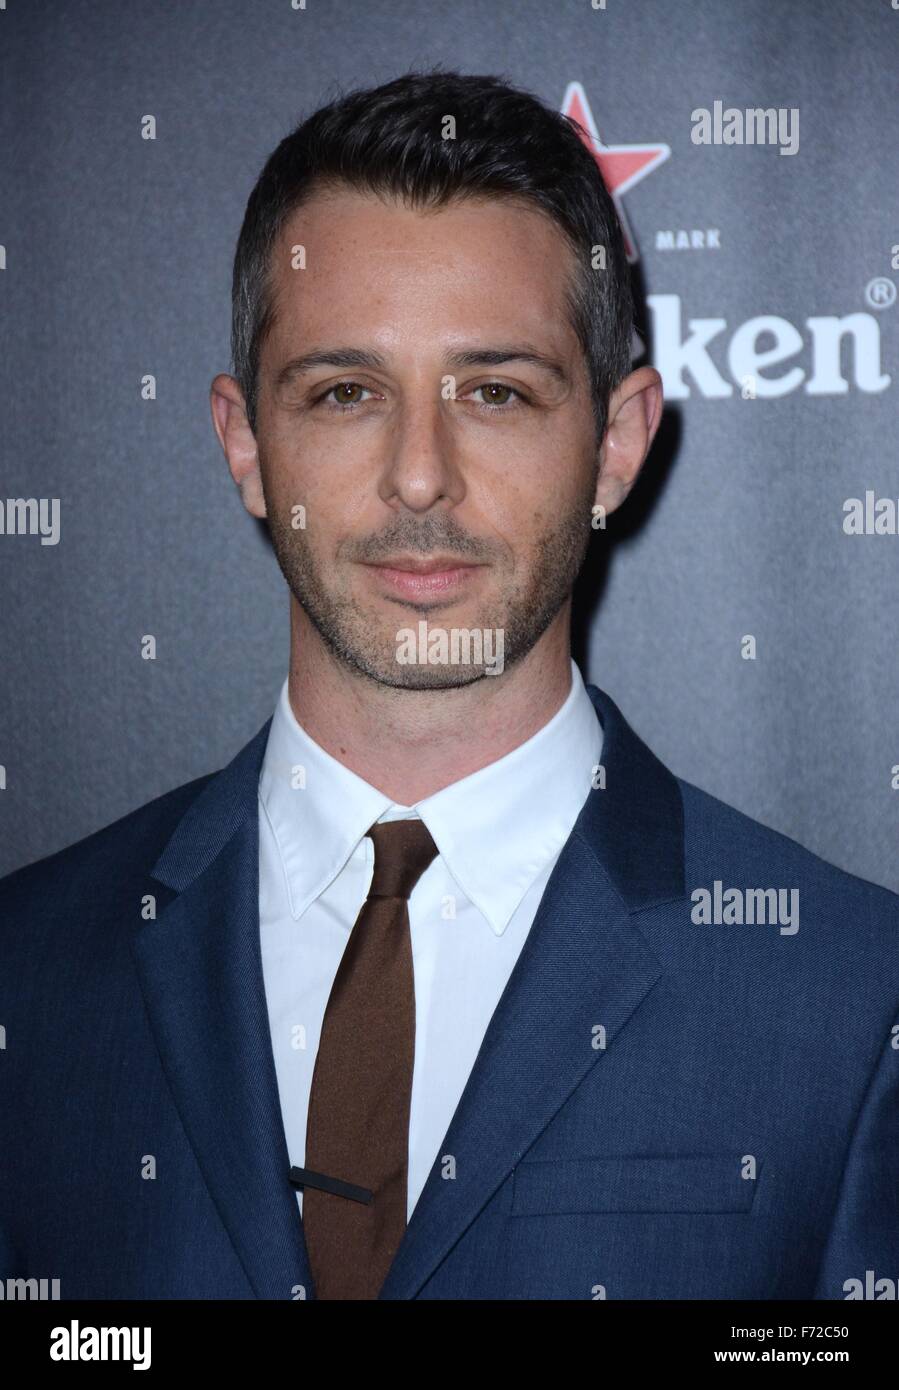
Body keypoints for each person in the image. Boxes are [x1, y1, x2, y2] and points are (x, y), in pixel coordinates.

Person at [1, 70, 897, 1302]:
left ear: (618, 442)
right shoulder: (29, 974)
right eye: (345, 392)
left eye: (495, 391)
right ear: (245, 446)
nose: (418, 476)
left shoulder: (849, 998)